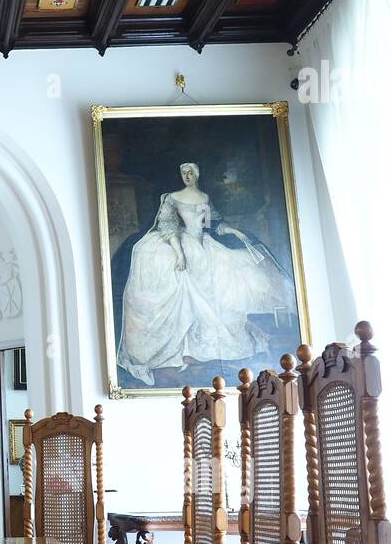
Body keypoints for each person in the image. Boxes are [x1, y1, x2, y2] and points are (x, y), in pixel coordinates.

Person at [117, 161, 294, 385]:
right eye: (183, 173)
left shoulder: (205, 198)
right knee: (182, 276)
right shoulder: (172, 198)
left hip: (204, 244)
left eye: (190, 172)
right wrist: (180, 254)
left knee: (239, 268)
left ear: (197, 175)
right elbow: (168, 227)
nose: (187, 176)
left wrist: (234, 231)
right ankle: (185, 344)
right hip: (183, 244)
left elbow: (213, 225)